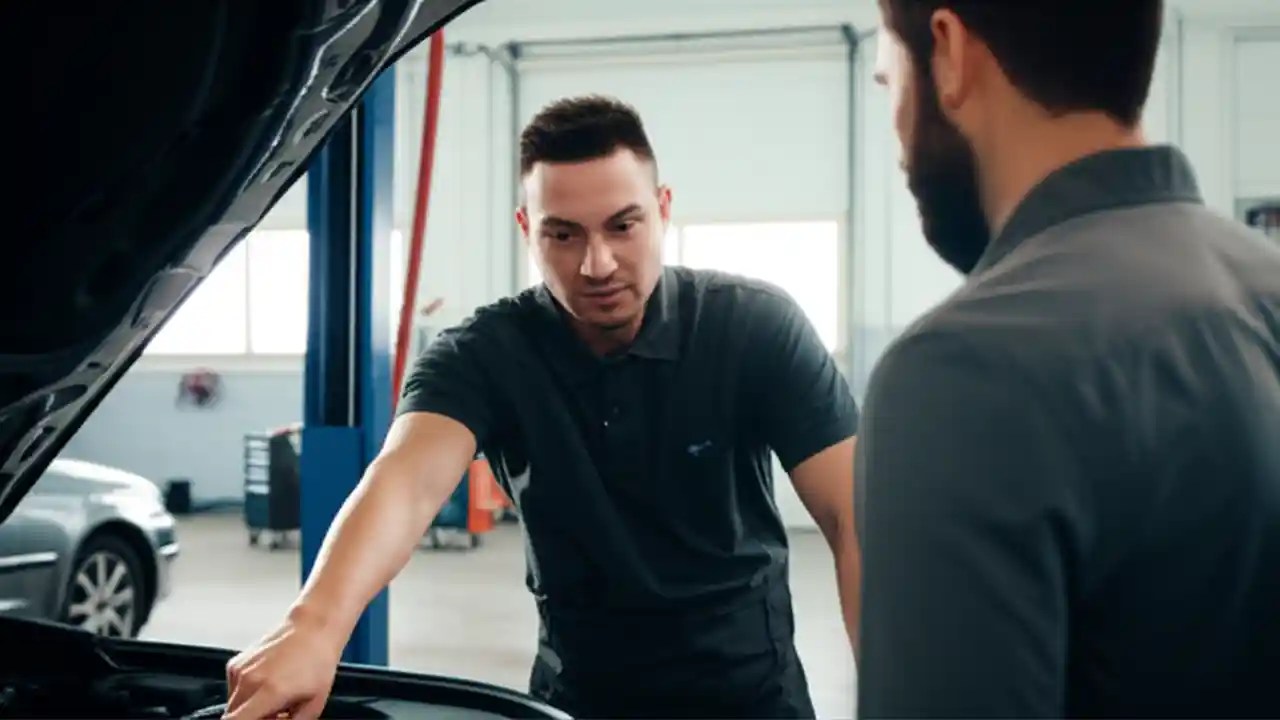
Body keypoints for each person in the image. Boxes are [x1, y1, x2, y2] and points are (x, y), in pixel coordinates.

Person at [223, 94, 861, 720]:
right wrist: (314, 625)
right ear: (528, 228)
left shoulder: (753, 327)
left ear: (662, 211)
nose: (597, 264)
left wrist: (899, 690)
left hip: (751, 697)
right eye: (563, 233)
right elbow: (407, 482)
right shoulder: (484, 354)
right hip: (577, 700)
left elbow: (853, 516)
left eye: (622, 225)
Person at [854, 0, 1280, 717]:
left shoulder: (961, 372)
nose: (895, 130)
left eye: (888, 76)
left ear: (949, 52)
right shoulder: (1264, 287)